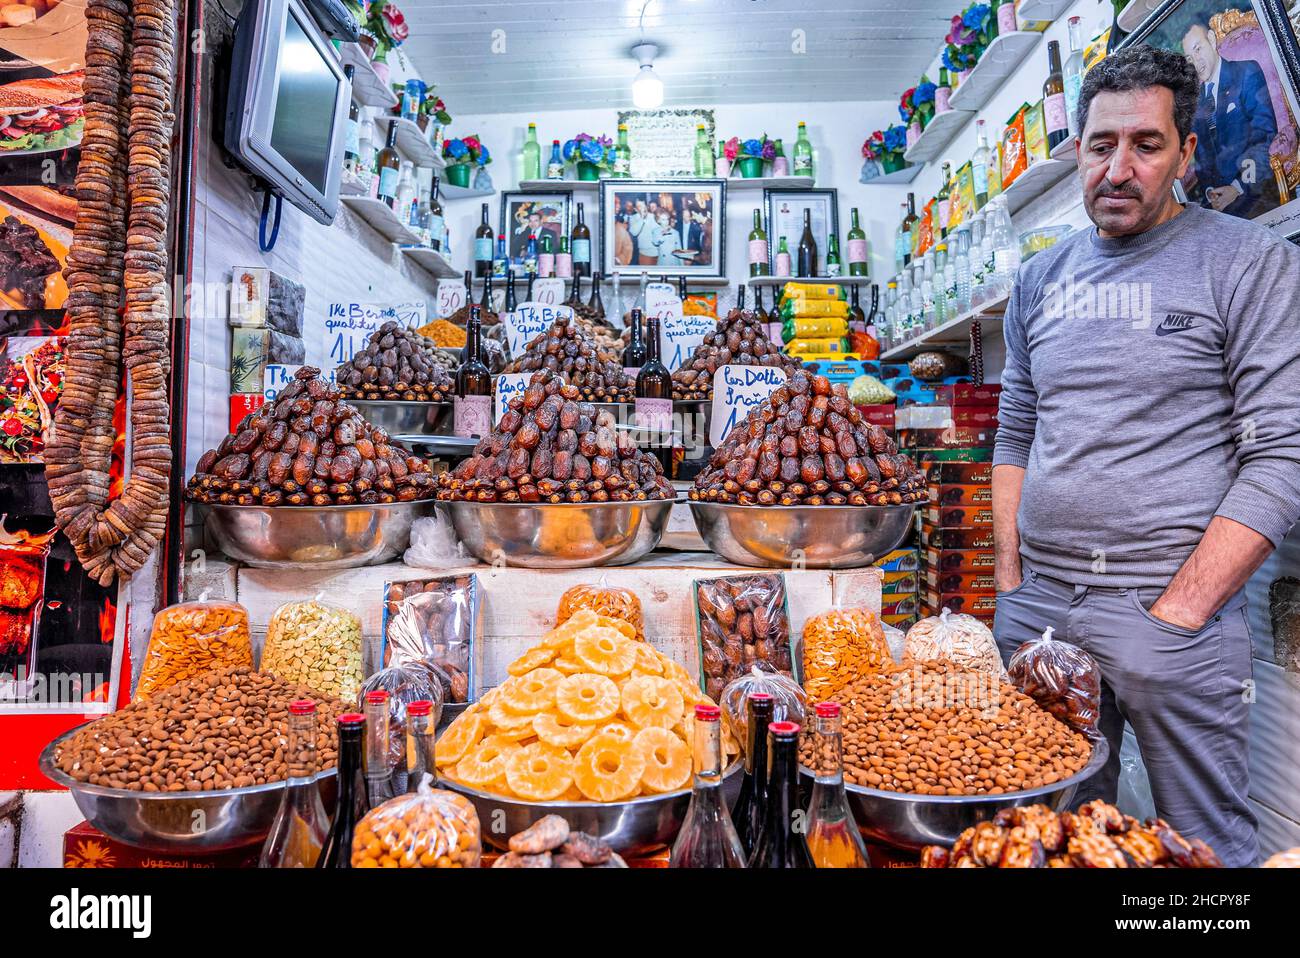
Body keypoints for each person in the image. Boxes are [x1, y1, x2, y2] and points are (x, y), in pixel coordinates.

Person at [992, 44, 1300, 868]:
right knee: (1047, 839)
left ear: (1186, 153)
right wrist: (1011, 584)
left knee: (1207, 854)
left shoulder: (1250, 262)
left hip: (1173, 621)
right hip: (1042, 613)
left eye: (1146, 144)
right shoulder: (1040, 279)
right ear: (1078, 152)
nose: (1118, 169)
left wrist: (1182, 614)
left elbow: (1282, 453)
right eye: (1101, 146)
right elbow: (1016, 426)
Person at [1182, 22, 1276, 217]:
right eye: (1189, 58)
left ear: (1212, 39)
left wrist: (1237, 188)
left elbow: (1265, 135)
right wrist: (1210, 192)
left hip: (1256, 194)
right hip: (1217, 208)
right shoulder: (1197, 101)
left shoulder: (1246, 72)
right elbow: (1201, 158)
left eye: (1198, 49)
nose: (1196, 62)